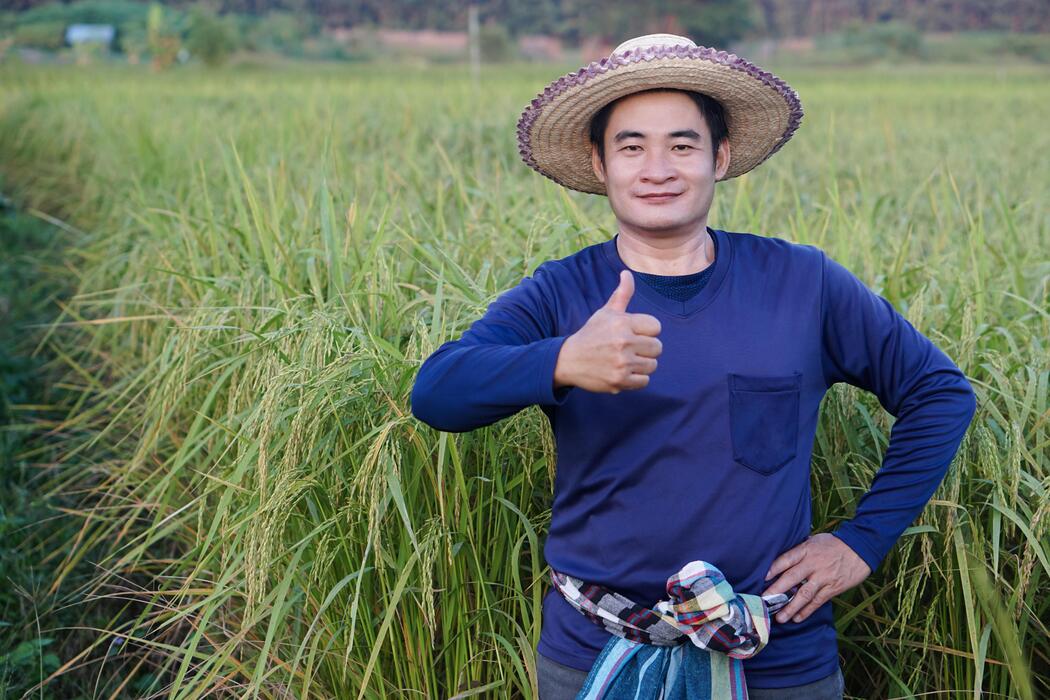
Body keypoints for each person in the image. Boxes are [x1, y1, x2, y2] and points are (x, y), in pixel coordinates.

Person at [410, 33, 977, 699]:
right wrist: (563, 359)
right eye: (632, 146)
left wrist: (861, 541)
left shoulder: (802, 283)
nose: (658, 168)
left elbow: (940, 392)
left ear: (721, 156)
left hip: (777, 657)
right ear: (600, 163)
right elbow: (437, 393)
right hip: (596, 654)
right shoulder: (562, 293)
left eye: (682, 145)